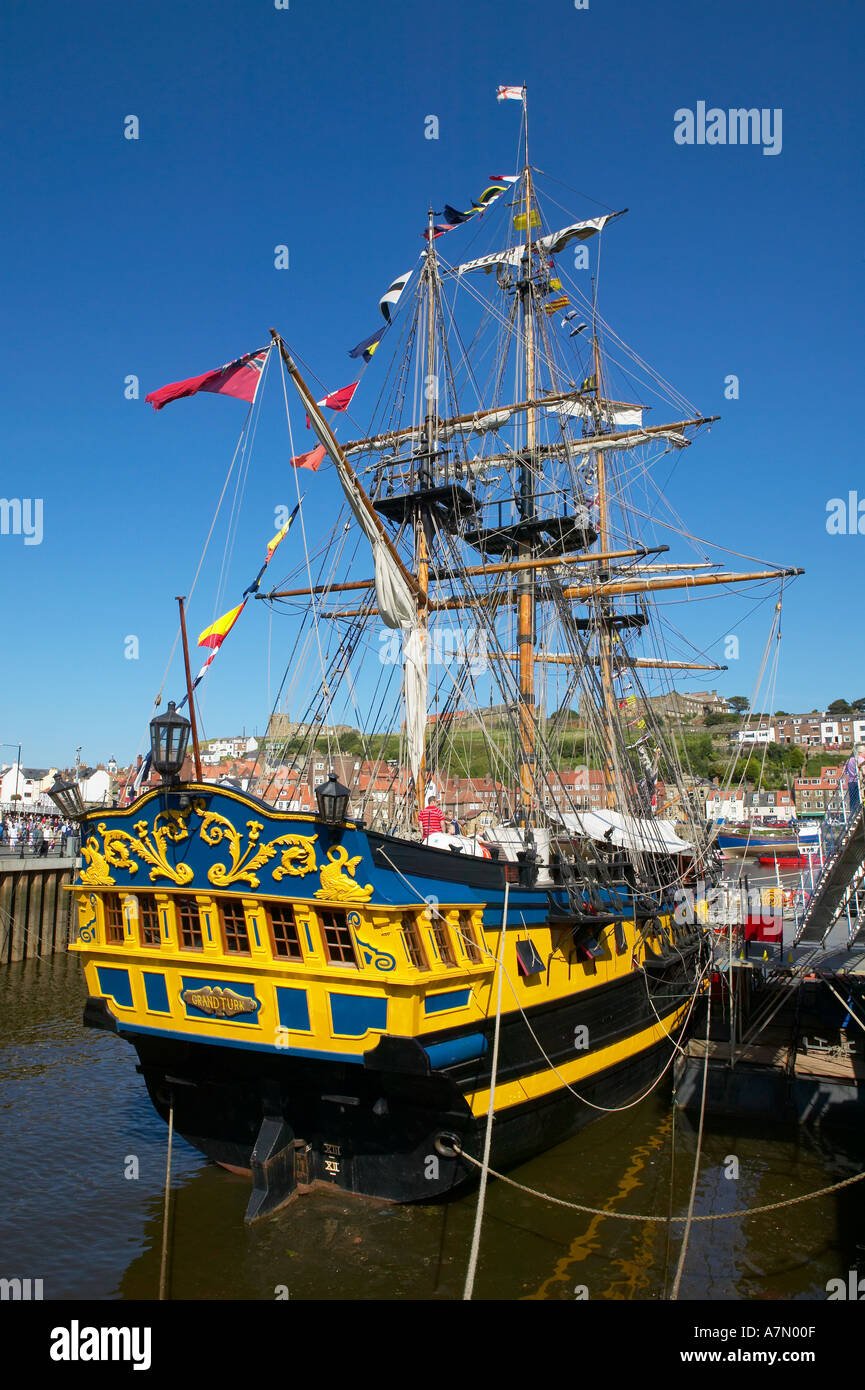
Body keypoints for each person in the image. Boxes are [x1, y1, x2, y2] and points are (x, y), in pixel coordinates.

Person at [845, 745, 864, 816]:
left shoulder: (849, 760)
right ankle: (859, 811)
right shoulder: (861, 760)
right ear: (860, 752)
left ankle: (853, 813)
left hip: (851, 782)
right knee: (859, 798)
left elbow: (846, 771)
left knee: (852, 799)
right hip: (858, 781)